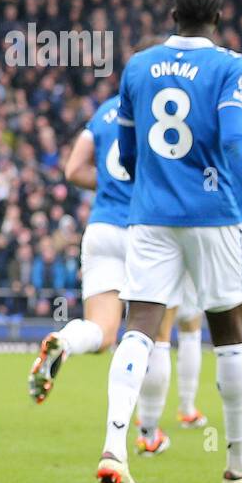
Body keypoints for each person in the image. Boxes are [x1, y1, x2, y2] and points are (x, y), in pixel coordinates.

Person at [96, 0, 242, 483]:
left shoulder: (139, 65)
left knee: (140, 327)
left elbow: (125, 150)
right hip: (214, 214)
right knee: (229, 335)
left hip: (150, 214)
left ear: (172, 14)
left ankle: (113, 447)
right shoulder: (231, 65)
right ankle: (237, 462)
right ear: (217, 18)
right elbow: (235, 141)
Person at [27, 94, 188, 454]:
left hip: (101, 229)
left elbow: (72, 170)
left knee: (102, 331)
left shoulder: (104, 112)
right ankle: (148, 434)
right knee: (157, 334)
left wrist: (111, 187)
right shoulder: (169, 106)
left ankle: (65, 341)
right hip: (147, 228)